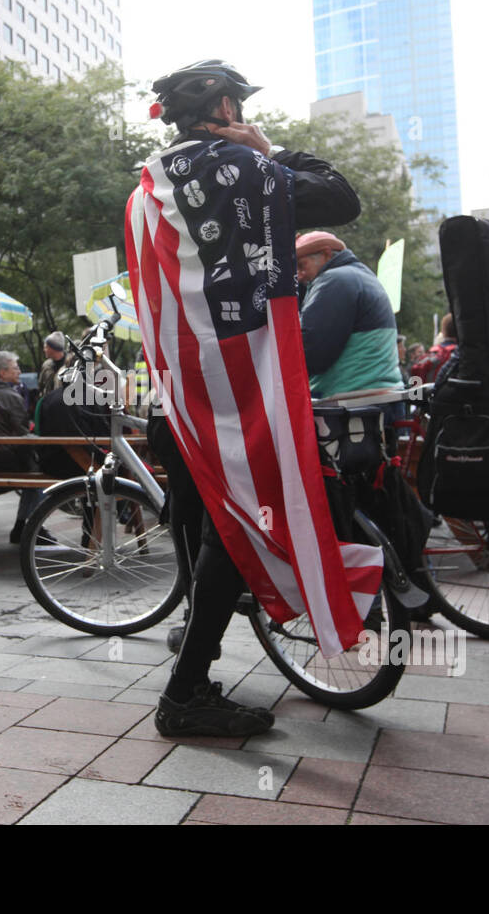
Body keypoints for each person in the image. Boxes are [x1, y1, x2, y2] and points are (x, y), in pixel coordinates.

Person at [127, 59, 362, 738]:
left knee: (216, 535)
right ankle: (185, 691)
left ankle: (192, 656)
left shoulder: (147, 192)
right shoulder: (248, 171)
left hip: (183, 402)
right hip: (244, 397)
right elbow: (340, 199)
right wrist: (269, 149)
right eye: (237, 107)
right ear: (227, 107)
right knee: (240, 530)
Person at [296, 231, 402, 414]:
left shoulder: (334, 281)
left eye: (301, 265)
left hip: (354, 406)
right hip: (377, 400)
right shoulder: (359, 275)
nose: (299, 275)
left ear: (326, 254)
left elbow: (312, 353)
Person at [0, 350, 42, 543]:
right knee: (44, 479)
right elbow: (22, 436)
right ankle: (34, 527)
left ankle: (22, 527)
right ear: (2, 373)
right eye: (15, 368)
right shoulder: (12, 397)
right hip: (6, 459)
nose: (19, 371)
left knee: (34, 479)